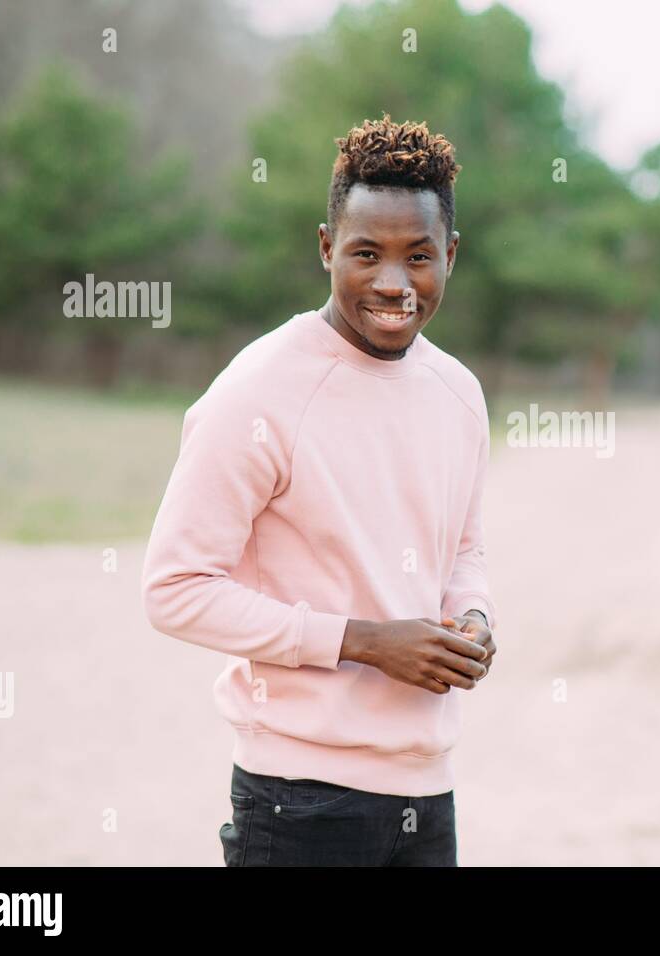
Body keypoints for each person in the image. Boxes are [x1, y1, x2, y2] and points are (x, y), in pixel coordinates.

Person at [141, 114, 497, 867]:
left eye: (419, 257)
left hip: (427, 793)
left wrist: (472, 617)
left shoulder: (459, 394)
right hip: (298, 799)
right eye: (367, 253)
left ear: (452, 256)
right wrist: (362, 643)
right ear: (327, 247)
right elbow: (174, 588)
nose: (394, 283)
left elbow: (462, 550)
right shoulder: (259, 390)